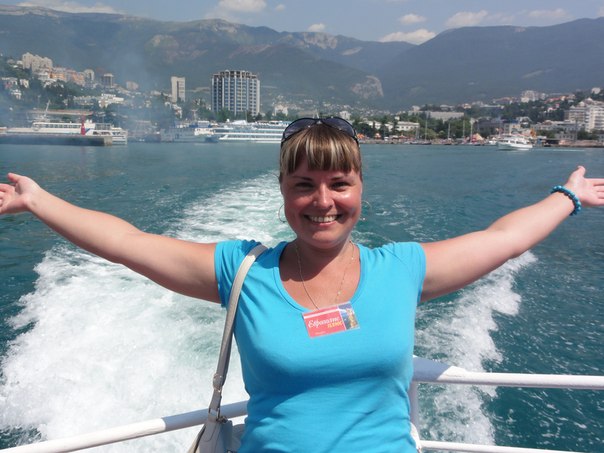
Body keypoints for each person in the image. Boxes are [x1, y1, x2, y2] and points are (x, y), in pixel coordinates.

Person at [0, 117, 603, 453]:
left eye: (339, 183)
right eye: (304, 185)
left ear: (360, 189)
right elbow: (127, 241)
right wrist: (38, 200)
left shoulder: (401, 270)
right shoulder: (242, 271)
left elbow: (504, 238)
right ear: (284, 193)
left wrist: (568, 196)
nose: (323, 201)